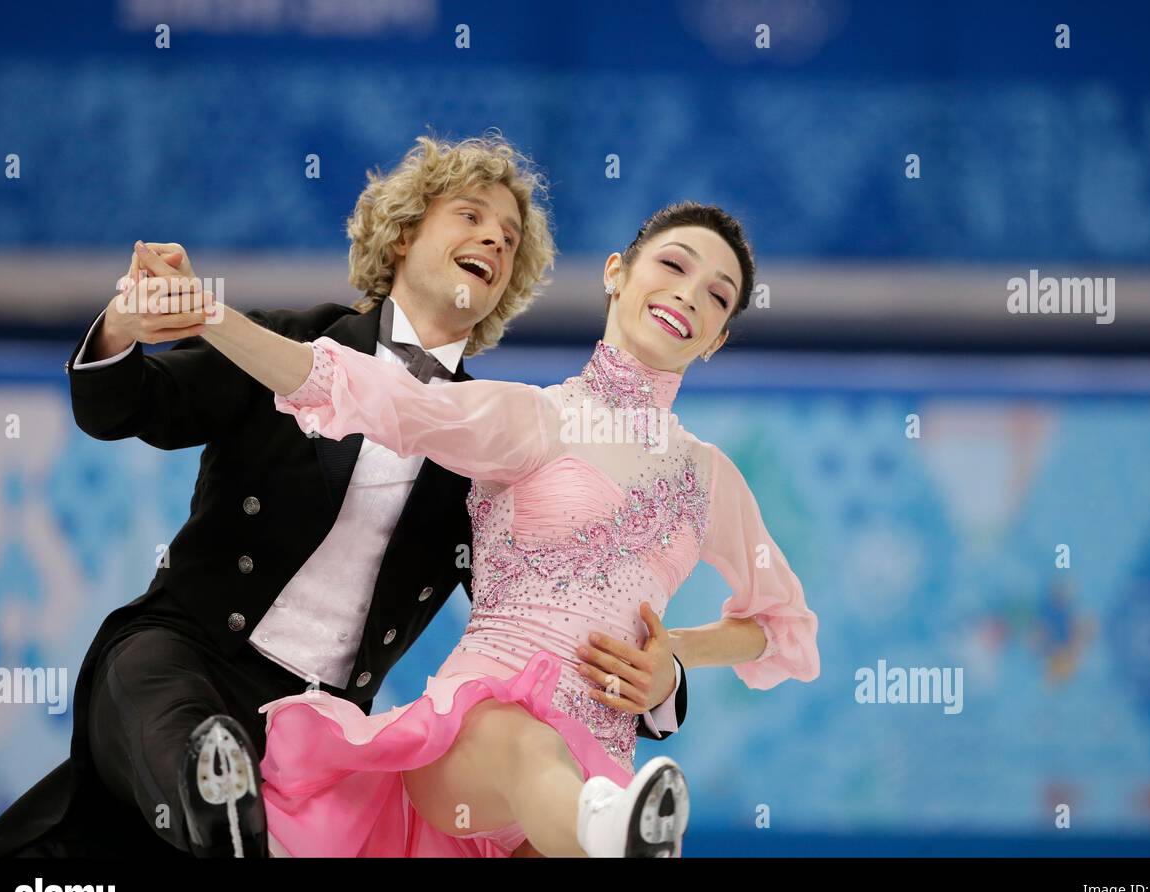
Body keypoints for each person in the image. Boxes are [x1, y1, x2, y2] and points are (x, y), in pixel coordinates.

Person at [0, 133, 689, 859]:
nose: (493, 243)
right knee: (177, 724)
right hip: (187, 655)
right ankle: (218, 797)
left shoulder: (496, 438)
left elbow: (557, 598)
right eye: (470, 217)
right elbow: (127, 408)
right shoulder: (287, 344)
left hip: (321, 731)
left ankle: (230, 811)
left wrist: (662, 685)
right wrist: (123, 326)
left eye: (507, 239)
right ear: (404, 233)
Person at [150, 199, 820, 857]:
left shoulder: (710, 480)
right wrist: (211, 316)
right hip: (473, 741)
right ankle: (610, 829)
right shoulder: (528, 418)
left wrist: (670, 660)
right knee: (527, 744)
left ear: (721, 336)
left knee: (561, 791)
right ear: (616, 272)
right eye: (673, 265)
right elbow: (379, 398)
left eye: (717, 295)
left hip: (599, 761)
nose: (688, 295)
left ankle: (606, 826)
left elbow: (781, 627)